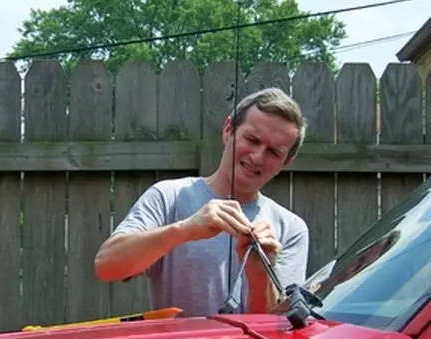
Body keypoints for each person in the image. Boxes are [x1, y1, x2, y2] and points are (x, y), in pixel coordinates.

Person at [94, 87, 310, 317]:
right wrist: (186, 229)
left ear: (287, 160)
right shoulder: (169, 196)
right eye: (252, 139)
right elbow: (107, 266)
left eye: (274, 152)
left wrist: (260, 275)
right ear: (228, 130)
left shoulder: (291, 229)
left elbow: (278, 328)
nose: (258, 157)